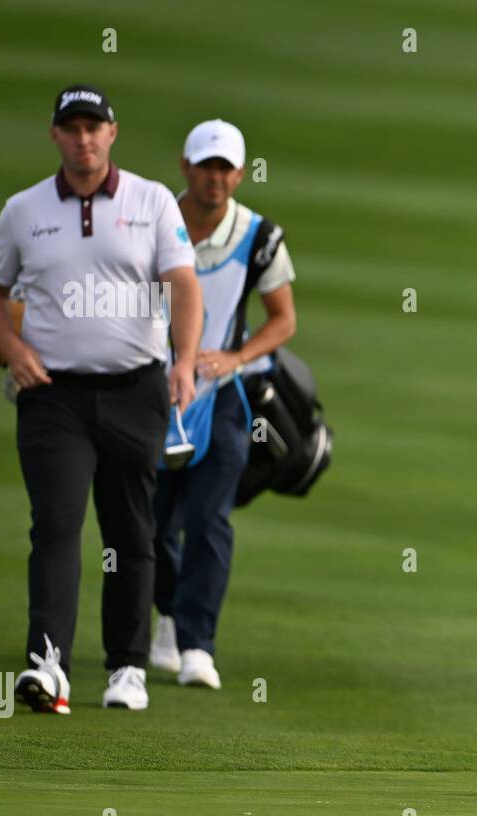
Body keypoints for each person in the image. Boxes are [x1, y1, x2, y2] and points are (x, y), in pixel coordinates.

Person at [0, 84, 202, 712]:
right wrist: (15, 351)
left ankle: (127, 667)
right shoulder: (24, 210)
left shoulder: (152, 201)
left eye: (93, 127)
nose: (83, 138)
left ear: (112, 133)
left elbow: (183, 284)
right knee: (55, 524)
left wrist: (184, 362)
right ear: (55, 136)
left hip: (136, 388)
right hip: (54, 394)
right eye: (71, 128)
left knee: (131, 529)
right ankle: (49, 666)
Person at [148, 119, 298, 686]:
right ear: (185, 168)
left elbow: (283, 319)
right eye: (206, 166)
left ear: (238, 173)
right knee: (152, 524)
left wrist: (235, 358)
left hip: (226, 397)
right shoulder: (152, 223)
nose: (216, 178)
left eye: (226, 168)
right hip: (153, 393)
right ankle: (167, 617)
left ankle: (198, 646)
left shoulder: (260, 236)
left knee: (209, 519)